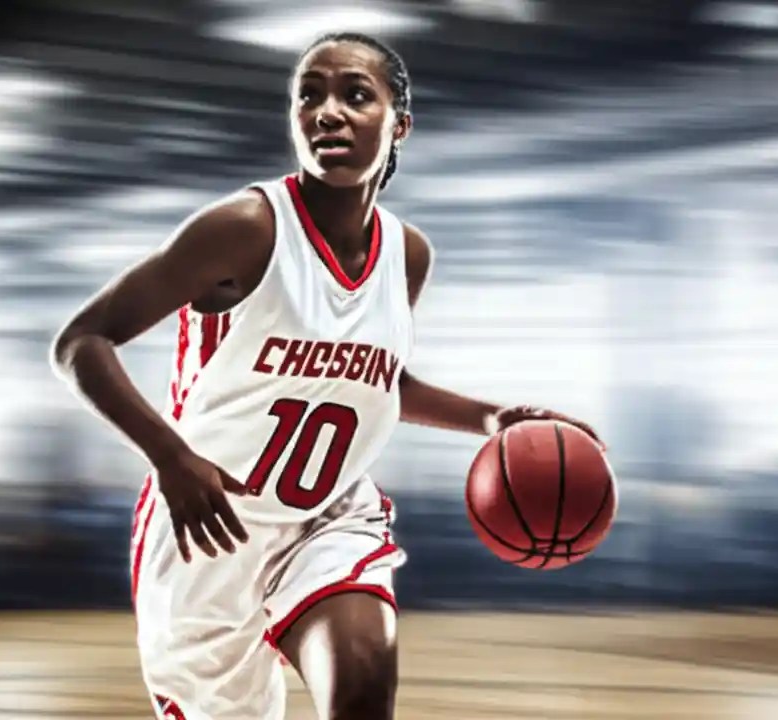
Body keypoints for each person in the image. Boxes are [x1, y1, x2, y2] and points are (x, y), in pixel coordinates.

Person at [50, 31, 601, 720]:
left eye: (355, 94)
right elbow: (82, 341)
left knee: (365, 678)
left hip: (327, 515)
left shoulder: (407, 254)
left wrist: (491, 419)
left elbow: (371, 382)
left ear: (399, 123)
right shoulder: (245, 228)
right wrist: (170, 456)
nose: (327, 111)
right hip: (209, 524)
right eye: (308, 95)